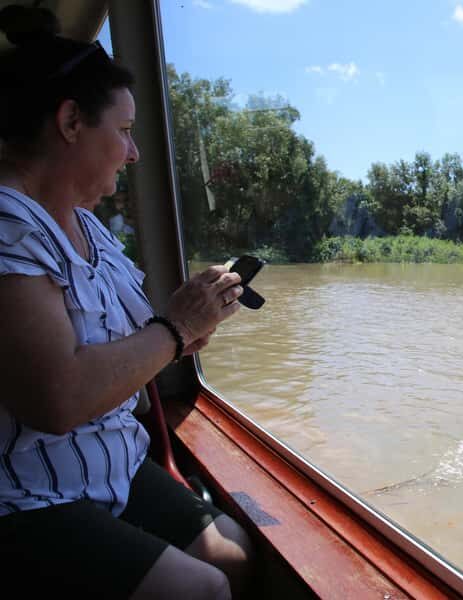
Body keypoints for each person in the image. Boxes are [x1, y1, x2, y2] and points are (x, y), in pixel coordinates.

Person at [0, 6, 254, 598]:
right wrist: (173, 328)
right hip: (26, 490)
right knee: (202, 590)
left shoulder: (90, 228)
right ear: (70, 122)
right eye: (125, 130)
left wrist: (187, 329)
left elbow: (137, 342)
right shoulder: (9, 225)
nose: (134, 152)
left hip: (112, 462)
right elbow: (58, 400)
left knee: (235, 554)